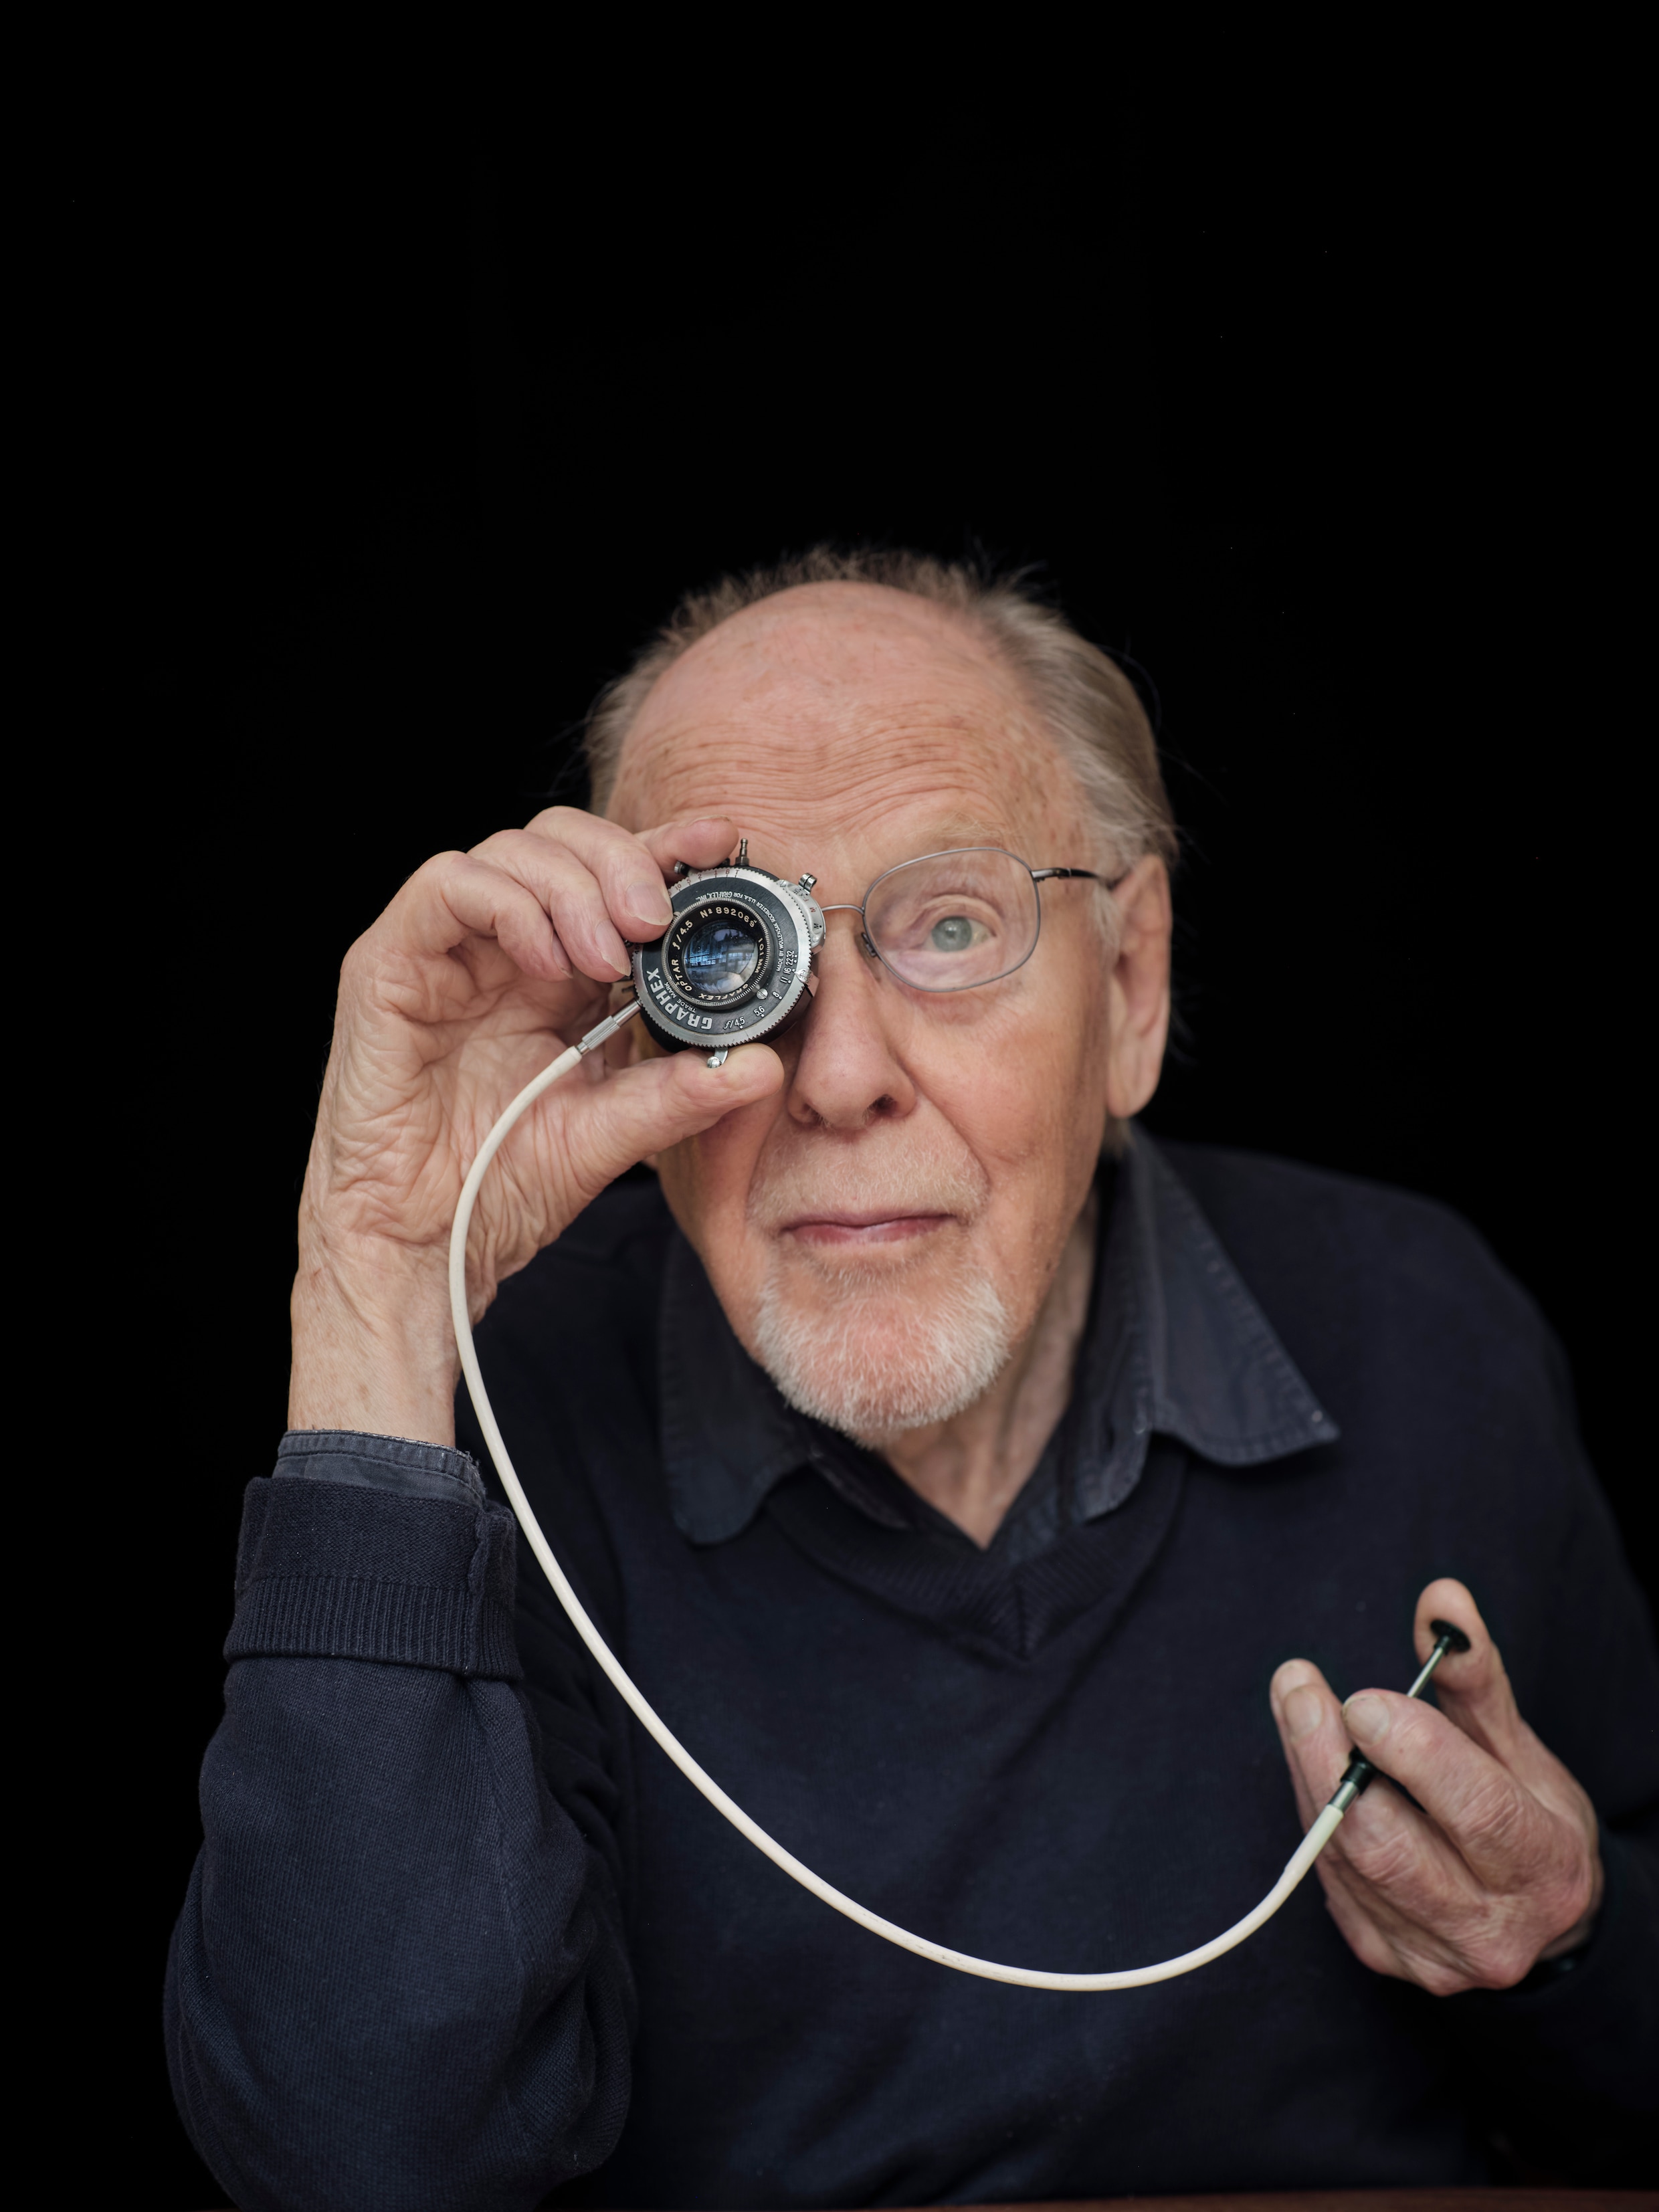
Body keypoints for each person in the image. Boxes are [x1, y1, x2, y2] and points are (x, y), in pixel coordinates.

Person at [167, 550, 1658, 2211]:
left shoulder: (1419, 1328)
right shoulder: (496, 1417)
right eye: (734, 950)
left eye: (952, 924)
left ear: (1133, 984)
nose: (841, 1077)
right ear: (631, 1010)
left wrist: (1567, 1938)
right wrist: (376, 1275)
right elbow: (358, 2165)